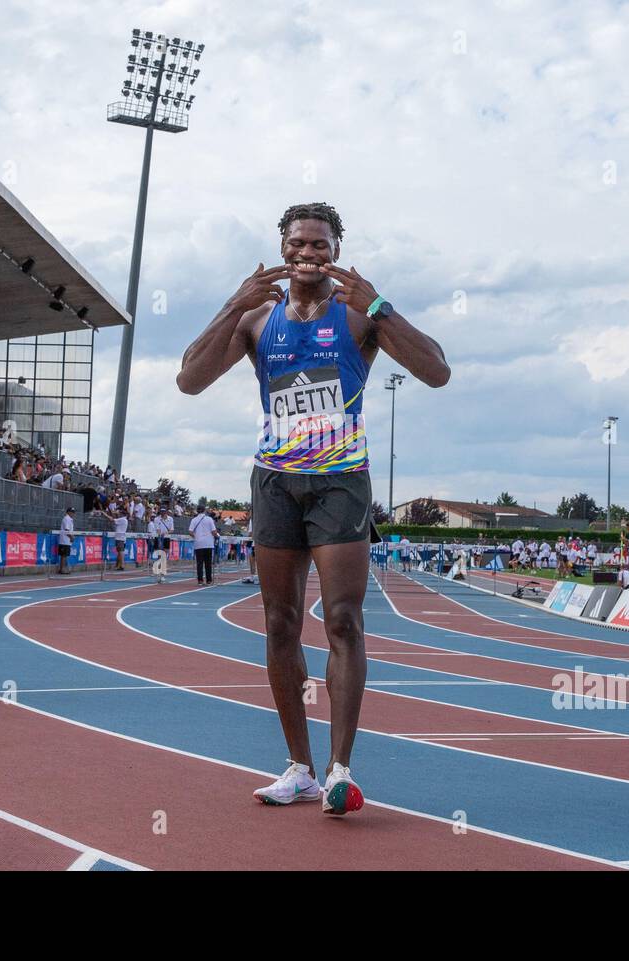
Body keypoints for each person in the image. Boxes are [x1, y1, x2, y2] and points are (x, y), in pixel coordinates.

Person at [175, 201, 449, 815]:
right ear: (282, 247)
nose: (307, 254)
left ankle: (339, 770)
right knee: (279, 623)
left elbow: (437, 372)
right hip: (274, 482)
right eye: (297, 243)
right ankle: (298, 766)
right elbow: (190, 380)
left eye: (320, 245)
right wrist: (231, 302)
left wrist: (381, 304)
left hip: (340, 481)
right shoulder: (255, 319)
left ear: (336, 251)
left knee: (344, 620)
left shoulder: (358, 317)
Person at [189, 504, 218, 585]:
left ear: (197, 511)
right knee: (208, 563)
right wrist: (217, 536)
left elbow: (190, 531)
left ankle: (200, 580)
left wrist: (196, 537)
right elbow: (213, 531)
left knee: (199, 563)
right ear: (204, 510)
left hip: (198, 544)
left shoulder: (194, 520)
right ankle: (209, 580)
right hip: (208, 543)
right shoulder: (209, 519)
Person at [56, 507, 75, 575]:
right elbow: (67, 530)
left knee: (64, 555)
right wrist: (71, 537)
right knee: (64, 555)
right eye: (72, 512)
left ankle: (62, 569)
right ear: (68, 512)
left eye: (73, 512)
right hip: (65, 540)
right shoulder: (67, 519)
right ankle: (62, 569)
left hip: (66, 540)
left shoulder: (69, 519)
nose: (73, 513)